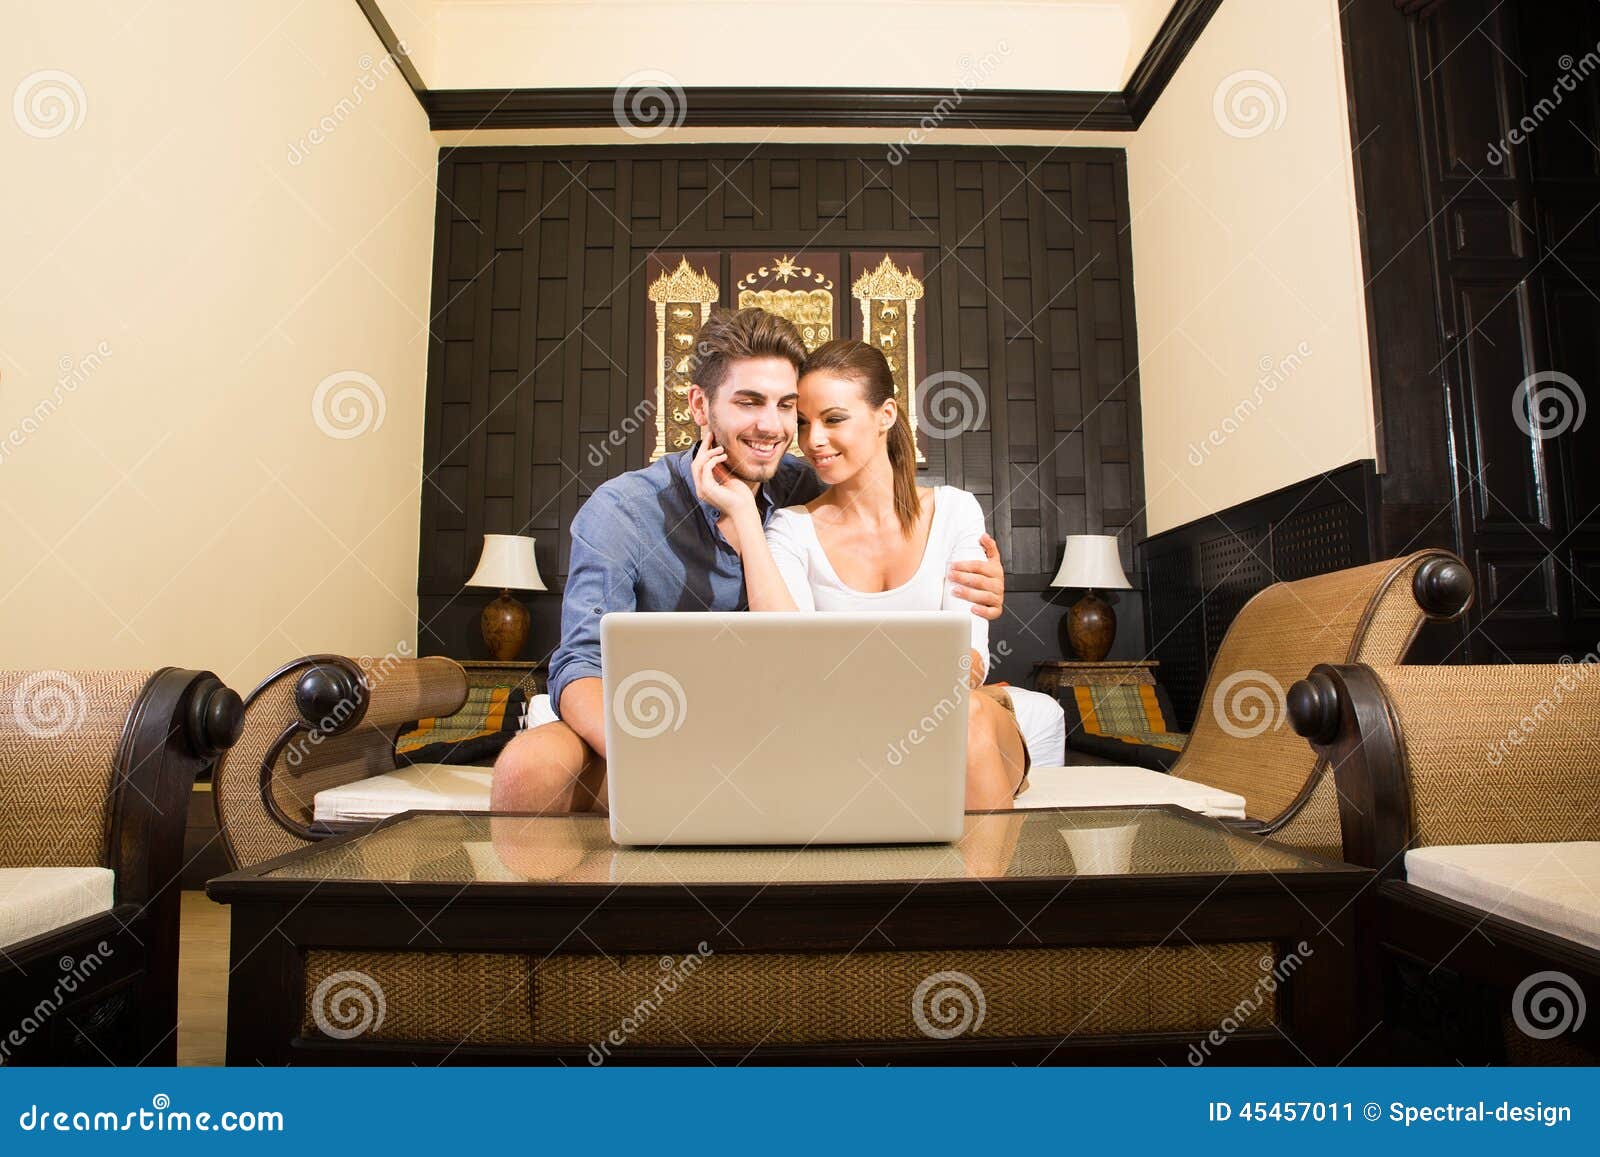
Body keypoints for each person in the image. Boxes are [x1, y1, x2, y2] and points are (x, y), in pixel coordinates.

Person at [490, 307, 1007, 815]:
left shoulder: (805, 490)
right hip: (654, 729)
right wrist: (656, 755)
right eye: (748, 402)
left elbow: (886, 514)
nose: (774, 427)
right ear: (699, 405)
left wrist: (983, 584)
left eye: (786, 406)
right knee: (528, 769)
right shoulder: (622, 511)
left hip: (778, 727)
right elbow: (582, 665)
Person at [692, 338, 1027, 810]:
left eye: (834, 419)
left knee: (966, 718)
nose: (813, 442)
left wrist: (850, 688)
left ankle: (992, 889)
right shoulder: (791, 527)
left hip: (954, 720)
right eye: (804, 424)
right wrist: (745, 514)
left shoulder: (955, 510)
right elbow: (787, 661)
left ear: (885, 415)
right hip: (845, 735)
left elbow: (968, 664)